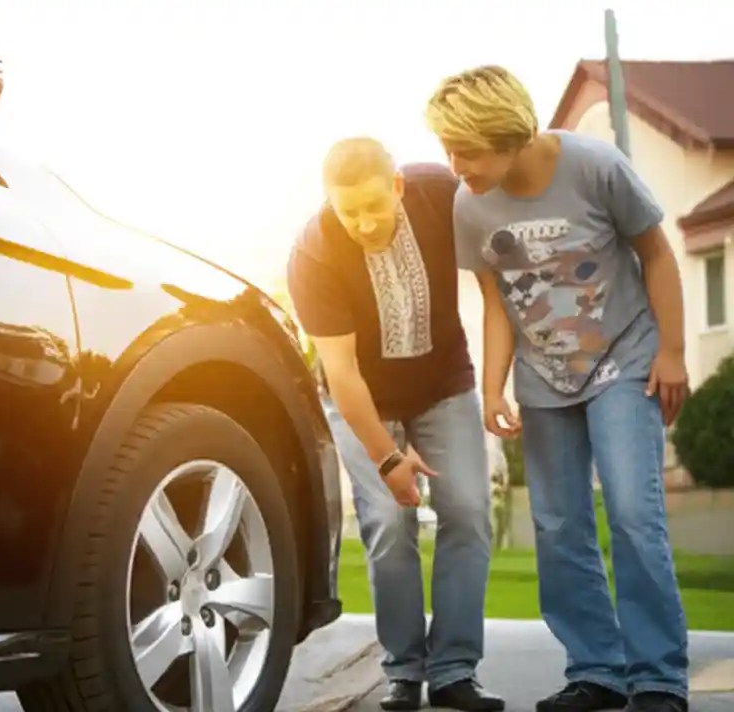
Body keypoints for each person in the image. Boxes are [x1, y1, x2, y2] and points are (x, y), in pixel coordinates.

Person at [426, 64, 691, 712]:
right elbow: (495, 303)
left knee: (633, 513)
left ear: (507, 132)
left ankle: (658, 677)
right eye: (446, 148)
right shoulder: (469, 203)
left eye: (465, 148)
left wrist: (675, 351)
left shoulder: (595, 166)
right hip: (543, 378)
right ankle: (597, 670)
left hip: (624, 359)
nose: (454, 164)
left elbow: (657, 253)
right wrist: (493, 388)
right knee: (557, 525)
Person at [286, 137, 504, 712]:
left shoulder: (437, 192)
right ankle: (404, 671)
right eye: (347, 210)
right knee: (386, 520)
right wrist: (387, 458)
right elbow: (342, 374)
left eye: (373, 207)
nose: (361, 223)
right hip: (365, 401)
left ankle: (455, 669)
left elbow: (492, 257)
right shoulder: (314, 253)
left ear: (398, 189)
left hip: (442, 386)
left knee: (469, 512)